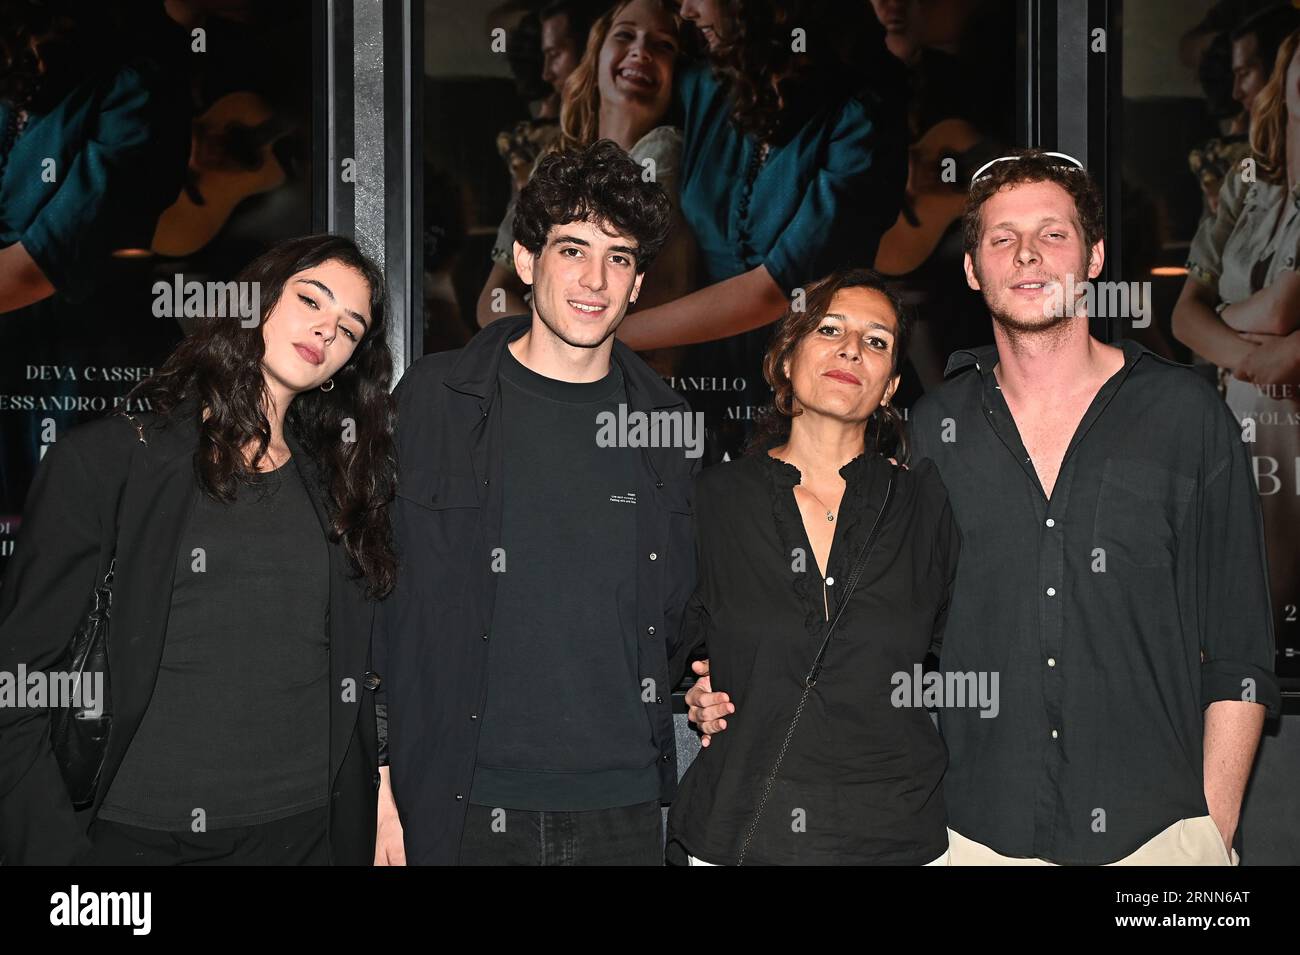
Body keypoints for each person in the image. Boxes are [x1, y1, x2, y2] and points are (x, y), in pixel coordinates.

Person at [692, 150, 1281, 864]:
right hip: (974, 839)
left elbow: (1240, 649)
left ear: (1094, 257)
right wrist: (720, 681)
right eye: (1002, 238)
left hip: (1159, 837)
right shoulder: (933, 433)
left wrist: (1210, 832)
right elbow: (858, 624)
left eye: (1052, 234)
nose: (1027, 254)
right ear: (974, 269)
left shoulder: (1187, 417)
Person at [0, 234, 396, 865]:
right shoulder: (108, 462)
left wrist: (381, 794)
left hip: (305, 835)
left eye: (349, 328)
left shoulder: (339, 485)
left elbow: (362, 666)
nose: (326, 330)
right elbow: (16, 689)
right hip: (137, 842)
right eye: (310, 300)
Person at [375, 140, 700, 866]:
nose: (595, 278)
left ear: (638, 283)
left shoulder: (665, 425)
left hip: (621, 805)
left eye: (619, 257)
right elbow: (378, 596)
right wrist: (380, 777)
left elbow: (679, 609)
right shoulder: (436, 402)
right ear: (526, 261)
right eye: (573, 249)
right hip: (461, 798)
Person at [665, 268, 958, 866]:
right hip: (741, 836)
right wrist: (694, 693)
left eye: (876, 341)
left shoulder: (925, 506)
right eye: (830, 329)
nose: (852, 348)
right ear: (785, 360)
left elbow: (972, 650)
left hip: (895, 838)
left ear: (890, 385)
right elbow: (658, 646)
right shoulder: (711, 502)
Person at [615, 0, 908, 460]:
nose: (687, 11)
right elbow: (617, 112)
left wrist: (609, 333)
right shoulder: (705, 85)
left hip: (807, 391)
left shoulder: (860, 117)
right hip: (697, 383)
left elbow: (775, 290)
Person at [1174, 27, 1300, 694]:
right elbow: (1183, 313)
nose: (1242, 88)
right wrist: (1247, 351)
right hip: (1236, 400)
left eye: (1256, 71)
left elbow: (1285, 314)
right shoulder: (1246, 187)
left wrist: (1232, 331)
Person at [478, 0, 697, 343]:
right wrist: (545, 354)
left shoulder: (670, 152)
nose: (641, 51)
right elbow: (493, 298)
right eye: (625, 36)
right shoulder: (552, 160)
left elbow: (606, 294)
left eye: (663, 45)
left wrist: (548, 343)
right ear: (595, 56)